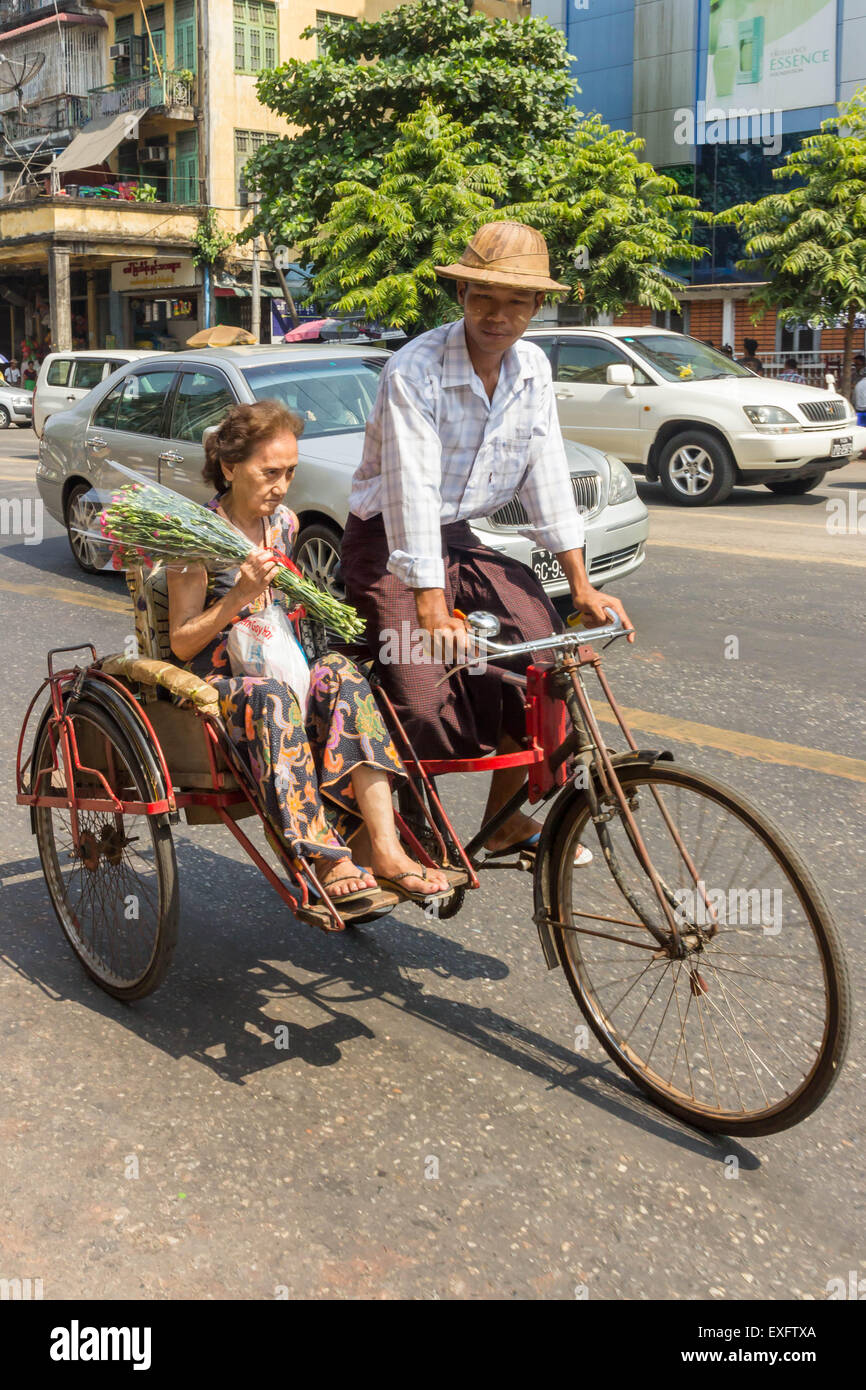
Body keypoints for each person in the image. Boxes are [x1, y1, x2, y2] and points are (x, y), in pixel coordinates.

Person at [340, 221, 634, 863]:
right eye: (484, 299)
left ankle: (505, 819)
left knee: (542, 656)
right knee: (422, 691)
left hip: (458, 537)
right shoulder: (413, 369)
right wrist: (428, 605)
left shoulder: (531, 367)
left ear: (535, 308)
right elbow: (411, 488)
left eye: (515, 302)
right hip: (388, 540)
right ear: (462, 295)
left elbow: (546, 472)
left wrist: (580, 584)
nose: (498, 316)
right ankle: (388, 830)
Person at [166, 400, 450, 906]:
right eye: (269, 472)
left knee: (343, 672)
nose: (280, 486)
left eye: (289, 473)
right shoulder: (195, 537)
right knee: (272, 697)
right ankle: (324, 854)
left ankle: (385, 846)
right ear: (230, 468)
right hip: (216, 690)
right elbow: (182, 641)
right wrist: (236, 598)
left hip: (278, 663)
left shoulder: (285, 525)